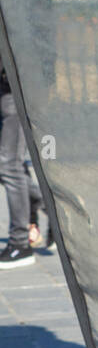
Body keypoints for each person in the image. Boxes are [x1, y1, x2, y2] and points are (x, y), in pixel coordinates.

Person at [0, 68, 34, 269]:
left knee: (9, 166)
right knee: (9, 165)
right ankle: (43, 203)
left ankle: (20, 244)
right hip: (6, 85)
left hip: (15, 84)